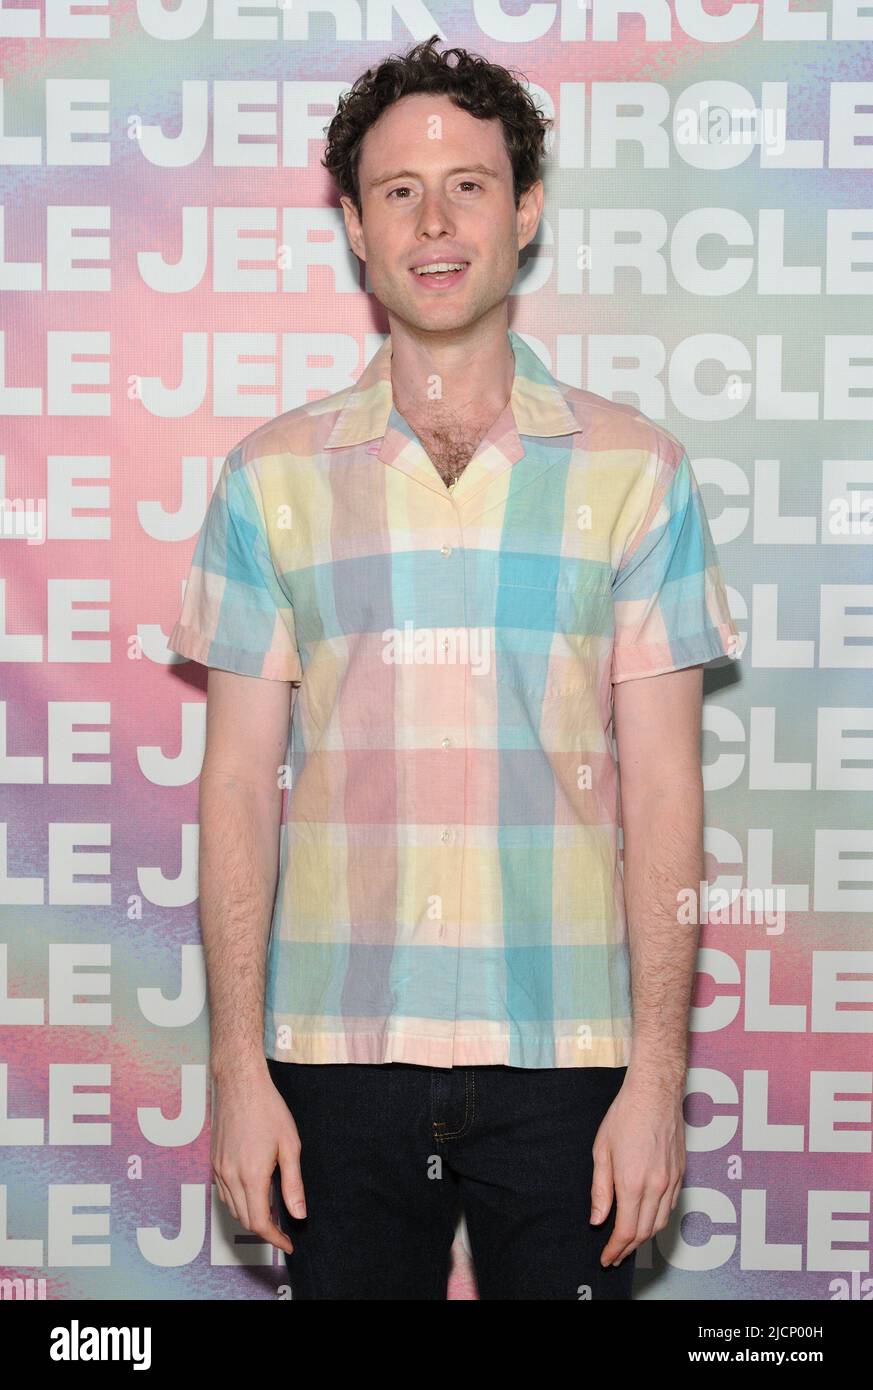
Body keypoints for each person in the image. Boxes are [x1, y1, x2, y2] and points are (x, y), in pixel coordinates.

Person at [167, 34, 740, 1301]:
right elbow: (236, 786)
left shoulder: (637, 471)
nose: (435, 221)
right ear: (356, 225)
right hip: (332, 1054)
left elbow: (664, 795)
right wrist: (237, 1071)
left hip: (570, 1059)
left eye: (470, 185)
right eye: (398, 190)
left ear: (526, 211)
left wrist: (656, 1079)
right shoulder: (271, 479)